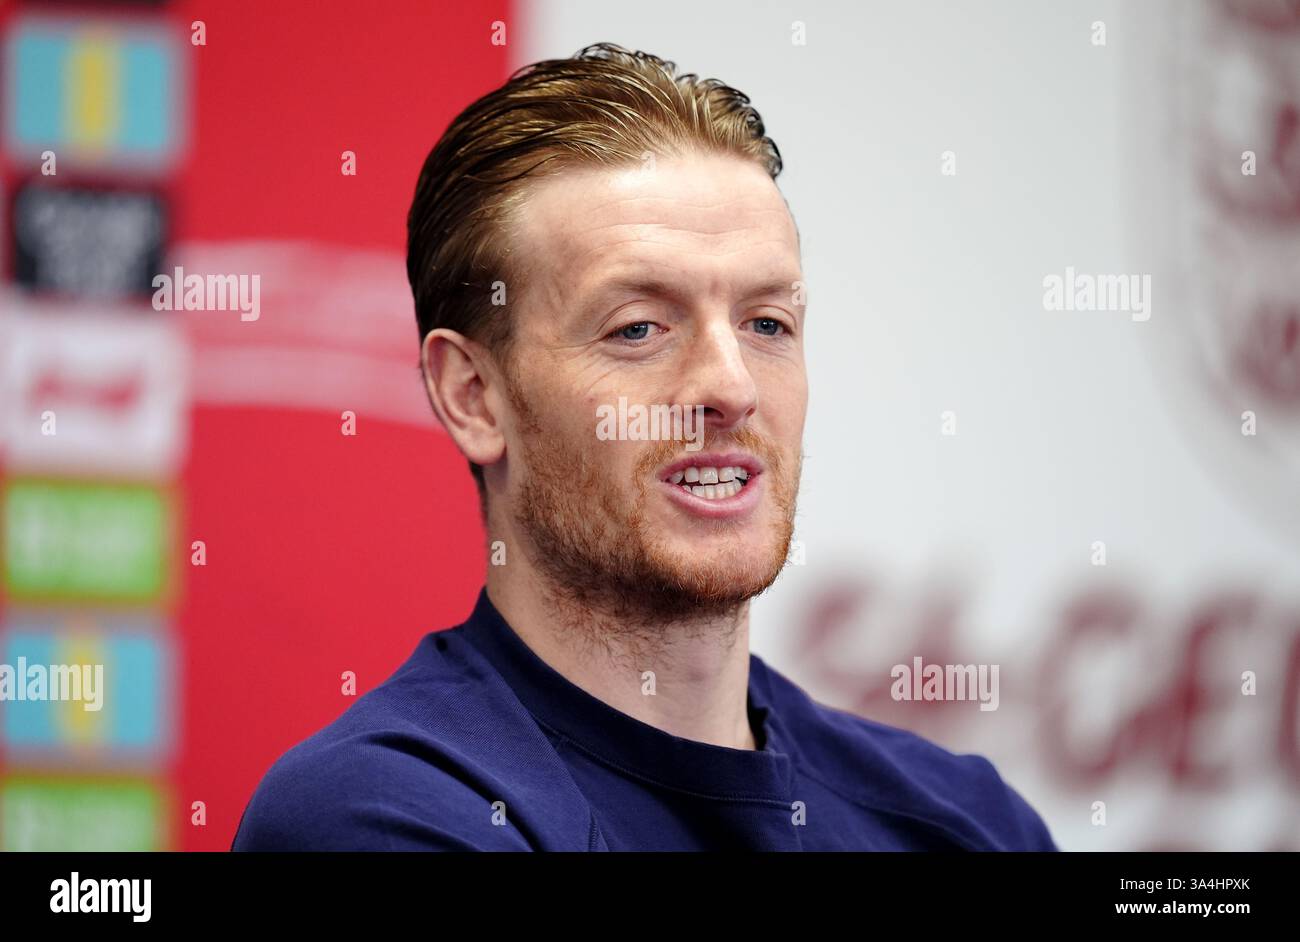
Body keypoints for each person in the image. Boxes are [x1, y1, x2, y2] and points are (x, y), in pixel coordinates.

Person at [231, 43, 1057, 851]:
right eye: (639, 329)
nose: (731, 389)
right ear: (472, 396)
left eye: (767, 323)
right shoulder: (377, 812)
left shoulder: (969, 822)